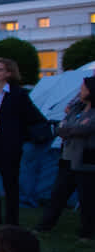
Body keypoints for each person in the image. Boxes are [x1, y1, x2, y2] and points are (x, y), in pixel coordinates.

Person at [0, 57, 39, 225]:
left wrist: (18, 135)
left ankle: (12, 220)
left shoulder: (18, 94)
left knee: (10, 182)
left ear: (9, 73)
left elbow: (32, 117)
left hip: (8, 143)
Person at [35, 75, 95, 239]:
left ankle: (87, 232)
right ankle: (45, 225)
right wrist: (70, 128)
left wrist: (69, 128)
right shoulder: (76, 109)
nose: (80, 92)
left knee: (87, 198)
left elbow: (85, 129)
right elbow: (61, 127)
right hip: (67, 158)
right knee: (58, 195)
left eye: (83, 89)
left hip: (85, 160)